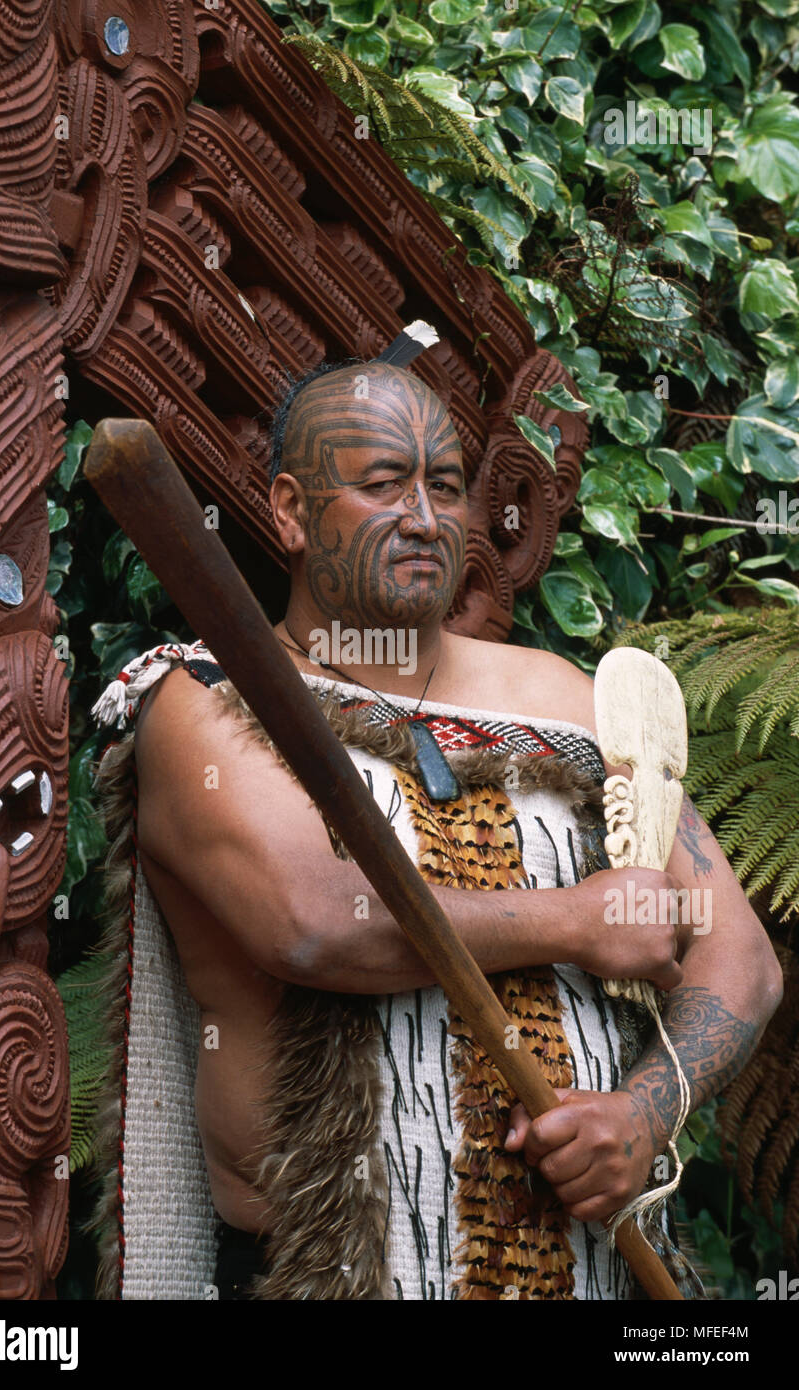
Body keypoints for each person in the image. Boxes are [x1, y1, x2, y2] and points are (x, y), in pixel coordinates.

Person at [105, 357, 782, 1300]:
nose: (425, 518)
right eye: (383, 484)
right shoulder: (205, 701)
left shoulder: (557, 696)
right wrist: (575, 922)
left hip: (591, 1275)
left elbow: (740, 954)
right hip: (326, 1277)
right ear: (293, 511)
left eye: (449, 487)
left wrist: (645, 1110)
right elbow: (316, 920)